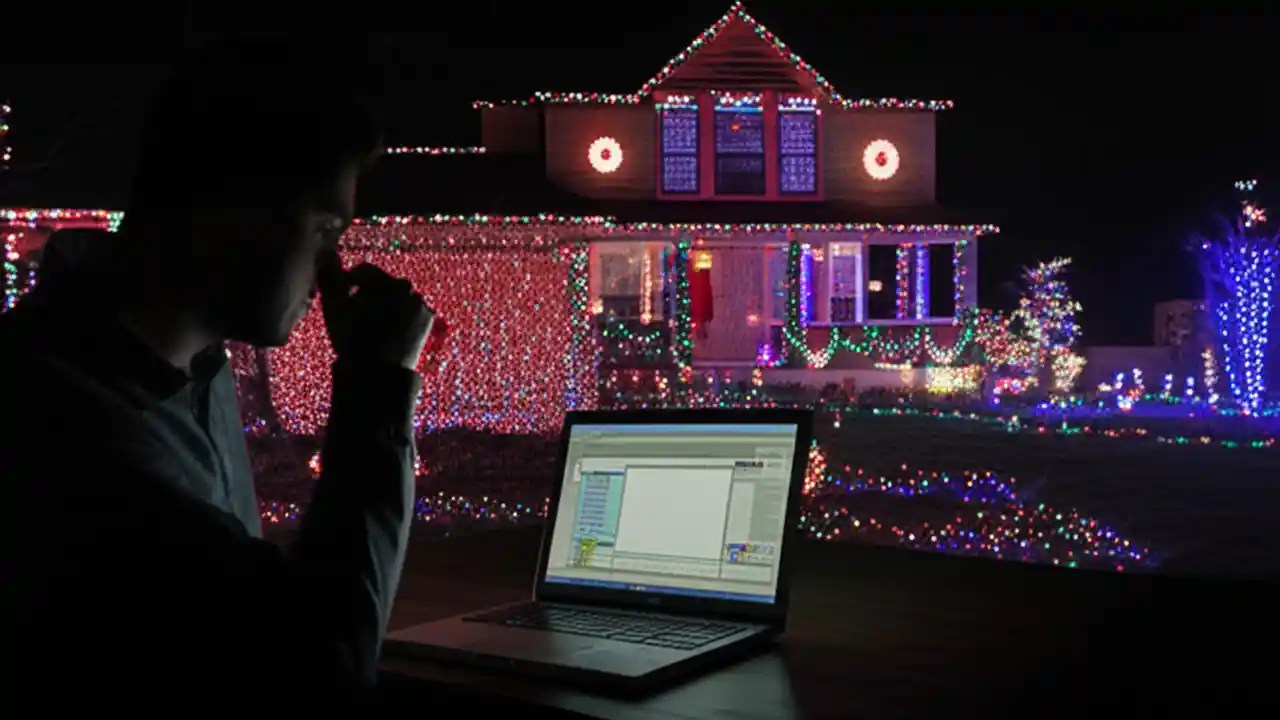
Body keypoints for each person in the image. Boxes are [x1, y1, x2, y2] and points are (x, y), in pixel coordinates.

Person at [0, 41, 433, 701]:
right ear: (234, 214)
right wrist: (376, 389)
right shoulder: (67, 424)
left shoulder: (198, 369)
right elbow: (317, 668)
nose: (333, 272)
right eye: (322, 229)